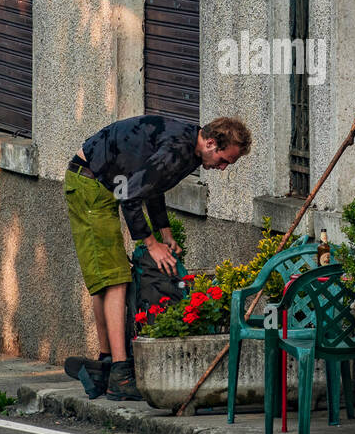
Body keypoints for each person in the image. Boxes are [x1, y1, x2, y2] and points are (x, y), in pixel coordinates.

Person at [64, 115, 252, 400]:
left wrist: (165, 232)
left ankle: (105, 361)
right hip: (91, 184)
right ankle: (119, 373)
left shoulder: (191, 147)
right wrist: (151, 243)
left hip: (101, 184)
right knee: (114, 280)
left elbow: (151, 186)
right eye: (225, 160)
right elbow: (129, 196)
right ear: (211, 143)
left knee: (107, 276)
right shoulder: (177, 150)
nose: (223, 168)